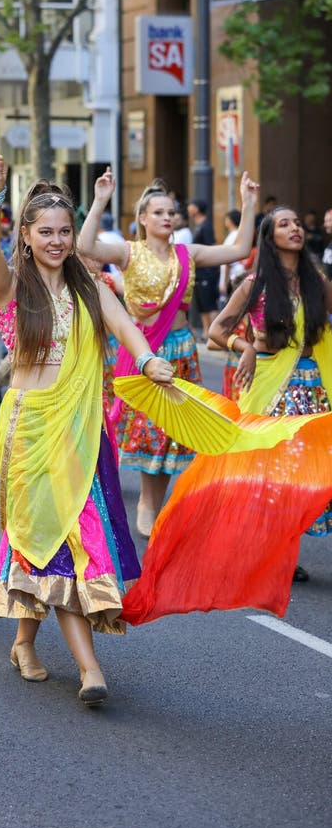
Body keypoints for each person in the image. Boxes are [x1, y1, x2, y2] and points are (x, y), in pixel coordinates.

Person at [0, 157, 174, 707]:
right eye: (46, 231)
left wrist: (149, 361)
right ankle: (86, 667)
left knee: (70, 537)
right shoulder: (10, 287)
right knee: (44, 535)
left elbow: (126, 329)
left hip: (80, 430)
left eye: (66, 231)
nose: (58, 240)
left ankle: (41, 649)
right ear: (25, 234)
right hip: (28, 431)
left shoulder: (89, 285)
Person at [78, 167, 259, 538]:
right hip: (144, 353)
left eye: (170, 212)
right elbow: (85, 248)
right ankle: (147, 502)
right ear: (142, 219)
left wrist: (249, 202)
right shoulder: (129, 253)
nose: (166, 217)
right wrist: (99, 200)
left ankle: (168, 506)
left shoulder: (187, 253)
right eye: (158, 212)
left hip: (181, 352)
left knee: (178, 431)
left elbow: (239, 249)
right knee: (151, 429)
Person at [209, 204, 332, 582]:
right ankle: (270, 552)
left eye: (297, 222)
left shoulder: (318, 283)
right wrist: (244, 346)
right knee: (272, 472)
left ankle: (284, 549)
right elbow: (216, 330)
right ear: (269, 236)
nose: (295, 228)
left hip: (313, 389)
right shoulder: (254, 285)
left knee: (305, 473)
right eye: (284, 224)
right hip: (269, 391)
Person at [187, 197, 218, 341]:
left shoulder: (206, 226)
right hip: (198, 273)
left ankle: (215, 334)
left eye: (191, 205)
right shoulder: (198, 225)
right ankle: (206, 332)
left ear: (197, 208)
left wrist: (212, 271)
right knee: (201, 304)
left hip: (207, 273)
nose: (188, 208)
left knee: (209, 304)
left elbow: (211, 247)